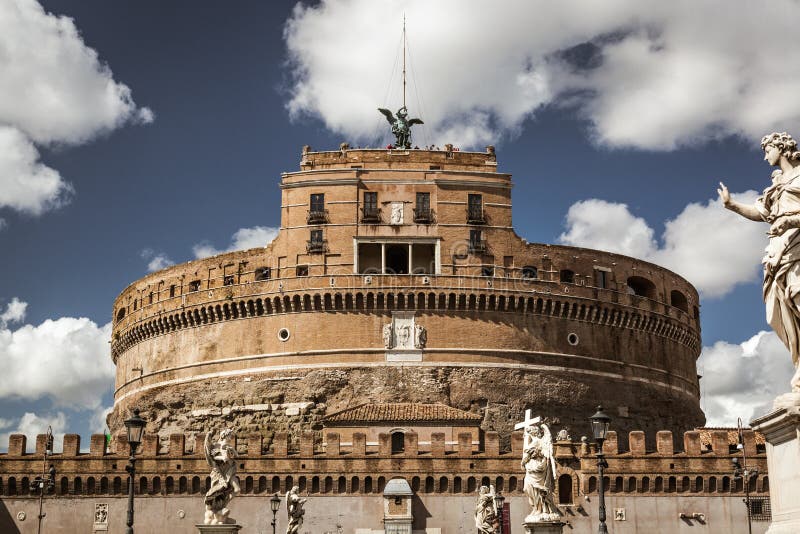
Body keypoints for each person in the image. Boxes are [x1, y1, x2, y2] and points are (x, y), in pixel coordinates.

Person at [719, 131, 800, 392]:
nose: (765, 156)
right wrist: (732, 205)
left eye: (767, 150)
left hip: (797, 245)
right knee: (779, 312)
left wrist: (791, 220)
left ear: (780, 147)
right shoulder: (776, 185)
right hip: (778, 252)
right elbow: (762, 213)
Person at [521, 423, 561, 521]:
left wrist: (523, 462)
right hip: (531, 468)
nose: (528, 434)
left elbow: (528, 454)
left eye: (529, 432)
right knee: (527, 487)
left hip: (538, 468)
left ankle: (540, 509)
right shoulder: (534, 442)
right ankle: (536, 508)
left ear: (533, 433)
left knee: (537, 490)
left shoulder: (537, 442)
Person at [203, 429, 240, 524]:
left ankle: (223, 505)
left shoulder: (229, 446)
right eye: (229, 435)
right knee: (217, 492)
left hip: (229, 471)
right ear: (224, 435)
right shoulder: (216, 445)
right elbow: (213, 457)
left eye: (231, 436)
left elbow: (236, 455)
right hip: (219, 473)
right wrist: (223, 457)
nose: (231, 437)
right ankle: (216, 510)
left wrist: (231, 452)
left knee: (237, 490)